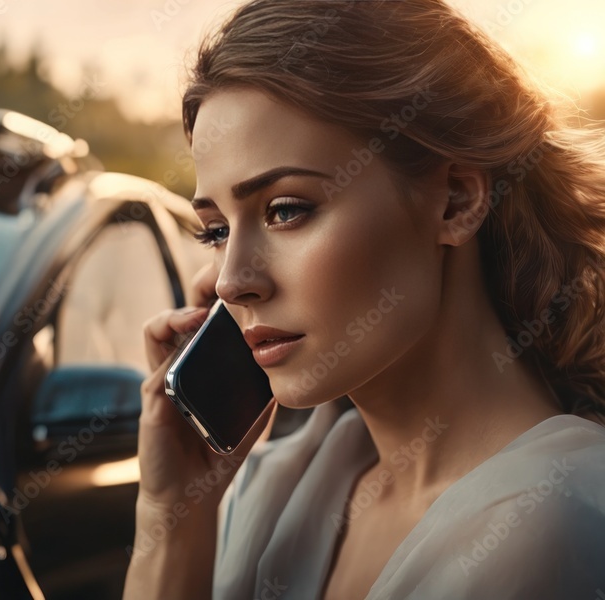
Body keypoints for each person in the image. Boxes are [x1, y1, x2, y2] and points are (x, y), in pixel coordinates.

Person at [122, 1, 605, 598]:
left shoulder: (550, 525)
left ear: (455, 200)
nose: (229, 281)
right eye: (217, 231)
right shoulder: (276, 489)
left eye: (286, 210)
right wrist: (173, 517)